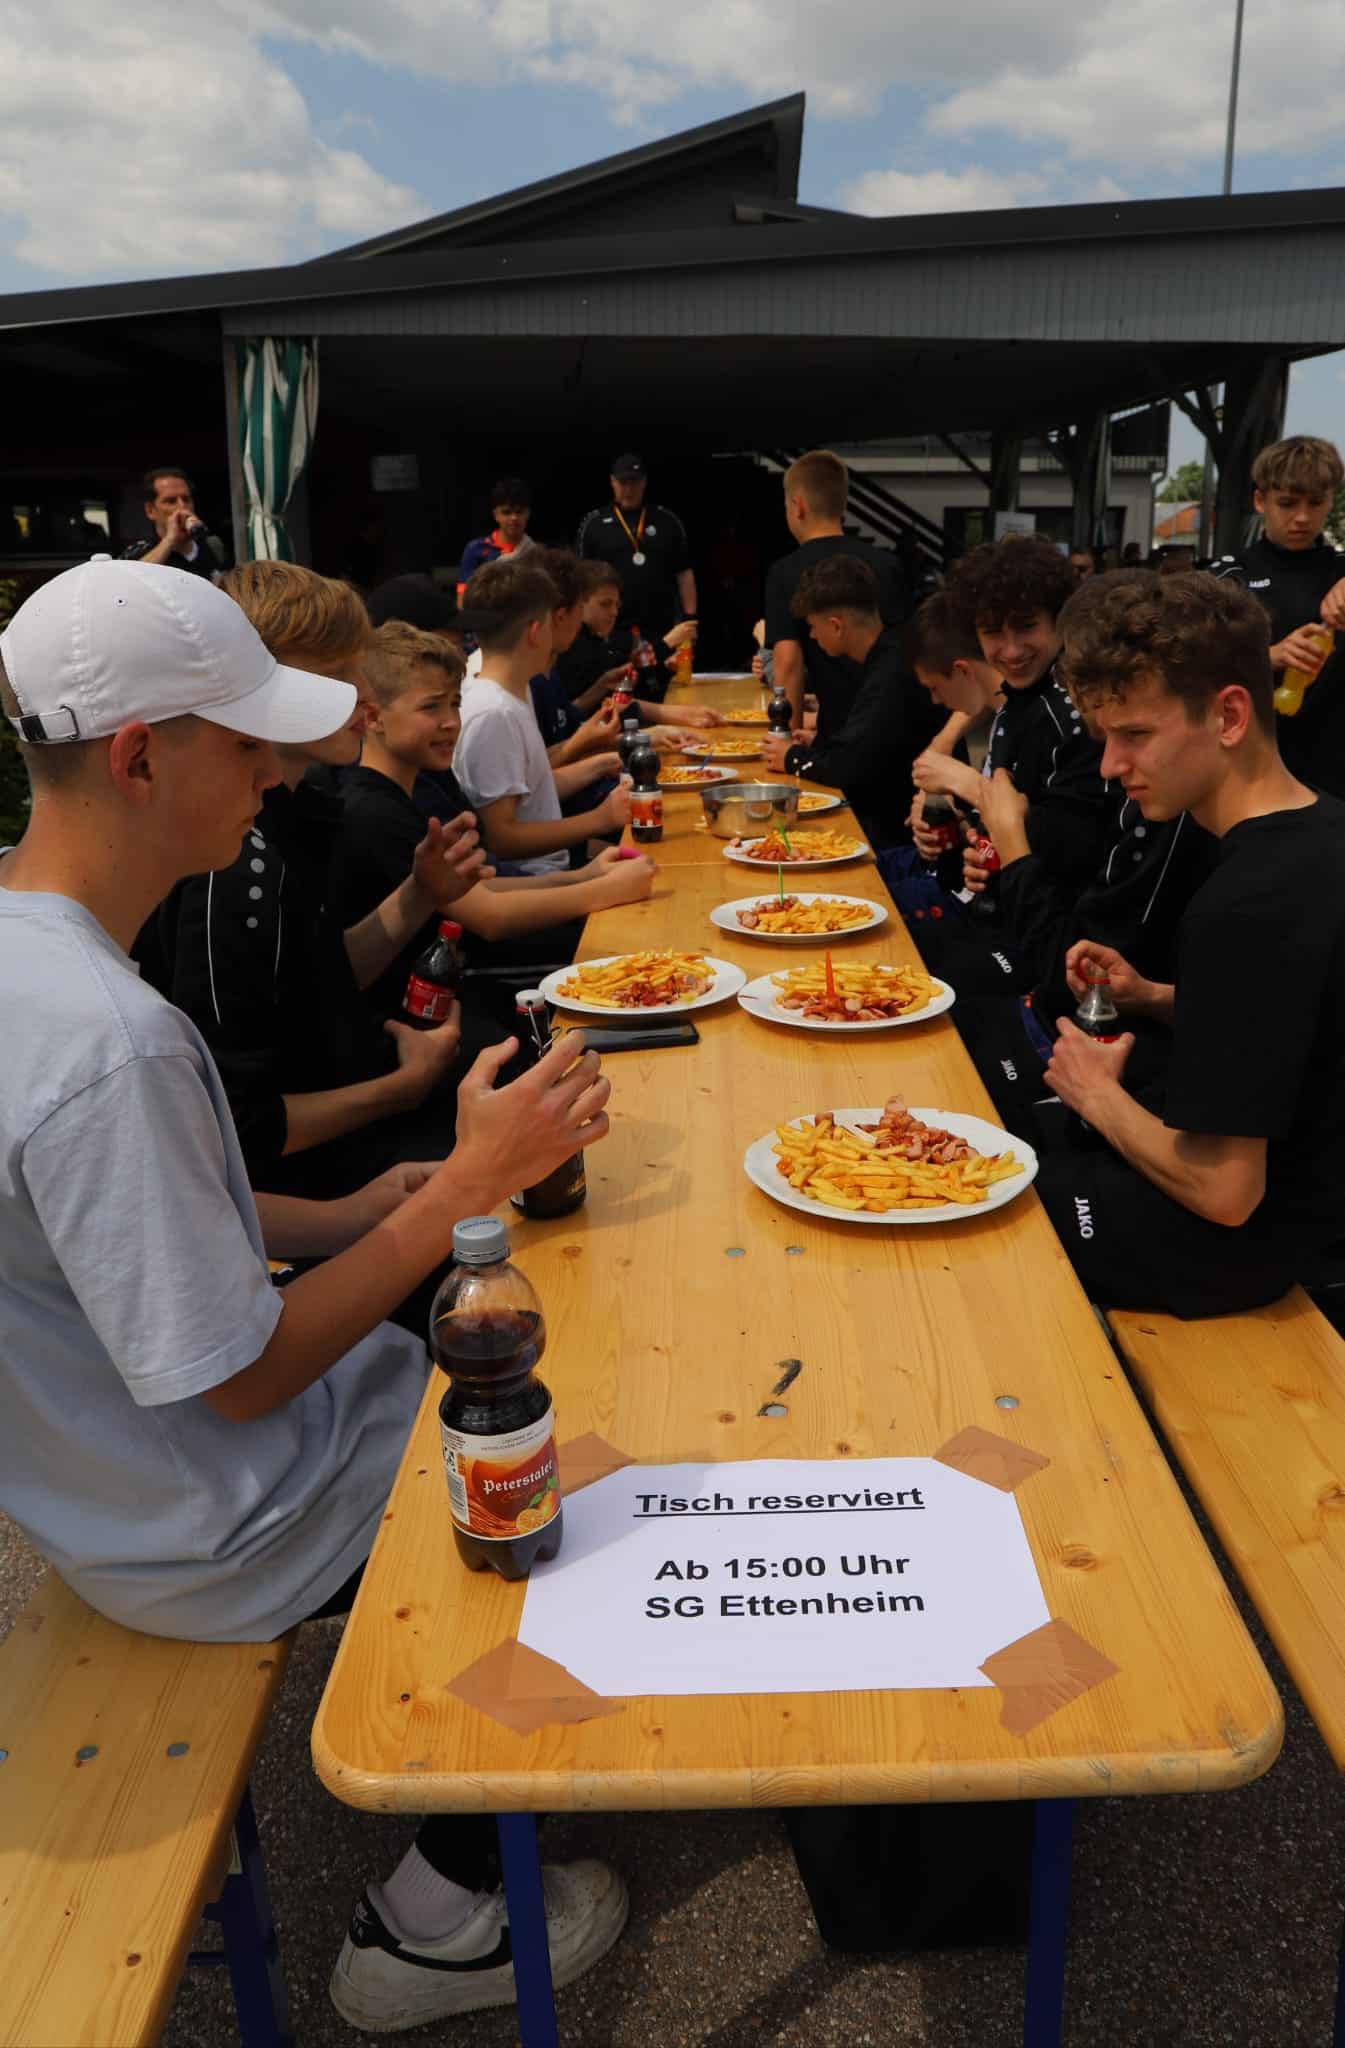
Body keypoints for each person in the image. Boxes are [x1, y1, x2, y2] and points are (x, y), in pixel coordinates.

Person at [0, 556, 626, 2025]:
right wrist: (463, 1187)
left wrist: (354, 1209)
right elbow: (244, 1372)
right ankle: (436, 1917)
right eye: (246, 743)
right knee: (573, 1464)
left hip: (109, 1496)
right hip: (222, 1521)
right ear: (142, 756)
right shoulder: (107, 1039)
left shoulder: (33, 962)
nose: (277, 773)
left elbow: (101, 1231)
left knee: (502, 1348)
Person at [1035, 567, 1345, 1319]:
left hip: (1256, 1256)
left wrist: (1094, 1093)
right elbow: (1299, 1021)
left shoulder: (1242, 901)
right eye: (1104, 737)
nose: (1110, 766)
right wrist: (1154, 997)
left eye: (1134, 734)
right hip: (1318, 1216)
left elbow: (1224, 1190)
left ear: (1229, 715)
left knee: (999, 1205)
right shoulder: (1324, 828)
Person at [147, 563, 481, 1199]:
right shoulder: (233, 858)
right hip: (317, 1186)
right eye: (335, 676)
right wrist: (400, 1090)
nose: (363, 694)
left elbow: (312, 982)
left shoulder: (301, 807)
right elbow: (237, 1129)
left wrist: (419, 896)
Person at [333, 617, 656, 1020]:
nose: (451, 721)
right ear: (373, 717)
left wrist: (585, 876)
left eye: (454, 703)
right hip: (458, 991)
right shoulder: (374, 812)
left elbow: (478, 884)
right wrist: (607, 891)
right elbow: (489, 918)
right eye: (431, 707)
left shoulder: (422, 783)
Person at [759, 555, 955, 849]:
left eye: (813, 626)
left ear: (837, 626)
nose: (812, 635)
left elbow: (851, 766)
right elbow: (872, 741)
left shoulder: (891, 670)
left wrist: (791, 757)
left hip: (901, 833)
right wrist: (817, 743)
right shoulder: (891, 648)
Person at [454, 559, 629, 874]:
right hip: (536, 884)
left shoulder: (512, 696)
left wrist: (603, 763)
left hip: (553, 872)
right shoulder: (493, 714)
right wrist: (599, 819)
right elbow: (501, 837)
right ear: (536, 632)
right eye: (551, 622)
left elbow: (531, 795)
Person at [1213, 435, 1345, 797]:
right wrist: (1269, 656)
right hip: (1252, 771)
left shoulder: (1340, 572)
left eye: (1316, 503)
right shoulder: (1230, 575)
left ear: (1331, 501)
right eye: (1287, 503)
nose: (1302, 517)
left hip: (1334, 777)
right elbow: (1189, 662)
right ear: (1260, 500)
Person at [762, 449, 907, 741]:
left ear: (797, 505)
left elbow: (788, 664)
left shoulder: (785, 572)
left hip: (840, 734)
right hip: (892, 725)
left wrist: (786, 744)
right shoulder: (889, 565)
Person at [576, 454, 695, 698]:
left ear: (644, 482)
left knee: (668, 690)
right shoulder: (594, 523)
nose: (628, 488)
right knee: (622, 689)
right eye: (623, 482)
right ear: (612, 482)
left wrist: (689, 620)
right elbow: (581, 580)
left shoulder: (666, 520)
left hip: (661, 624)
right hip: (613, 626)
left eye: (634, 481)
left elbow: (684, 573)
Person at [557, 562, 713, 732]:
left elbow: (631, 695)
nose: (614, 612)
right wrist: (666, 644)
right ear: (579, 604)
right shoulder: (568, 648)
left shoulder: (609, 639)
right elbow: (574, 716)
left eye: (617, 605)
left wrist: (665, 669)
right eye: (605, 604)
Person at [120, 466, 225, 579]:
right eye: (170, 501)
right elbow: (132, 582)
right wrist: (170, 540)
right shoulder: (138, 552)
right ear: (150, 510)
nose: (182, 506)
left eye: (186, 499)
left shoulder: (212, 546)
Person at [457, 477, 534, 599]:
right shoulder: (475, 549)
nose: (514, 518)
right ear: (496, 515)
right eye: (506, 512)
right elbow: (463, 600)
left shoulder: (535, 553)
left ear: (528, 514)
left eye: (519, 512)